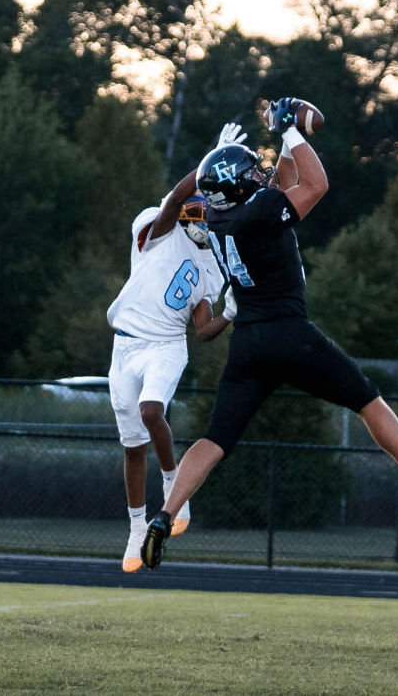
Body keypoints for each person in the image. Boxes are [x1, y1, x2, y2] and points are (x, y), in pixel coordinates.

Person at [140, 98, 398, 570]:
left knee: (215, 439)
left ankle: (164, 516)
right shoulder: (256, 212)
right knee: (368, 400)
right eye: (251, 174)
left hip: (248, 344)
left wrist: (276, 135)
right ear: (238, 186)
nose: (261, 177)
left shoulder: (219, 216)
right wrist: (291, 129)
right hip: (289, 335)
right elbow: (315, 184)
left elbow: (274, 185)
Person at [107, 124, 246, 573]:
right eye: (200, 211)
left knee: (152, 412)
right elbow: (170, 204)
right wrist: (212, 157)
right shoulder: (159, 229)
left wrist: (229, 313)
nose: (206, 221)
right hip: (125, 347)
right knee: (132, 447)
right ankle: (134, 527)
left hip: (167, 345)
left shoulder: (211, 264)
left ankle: (172, 485)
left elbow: (202, 331)